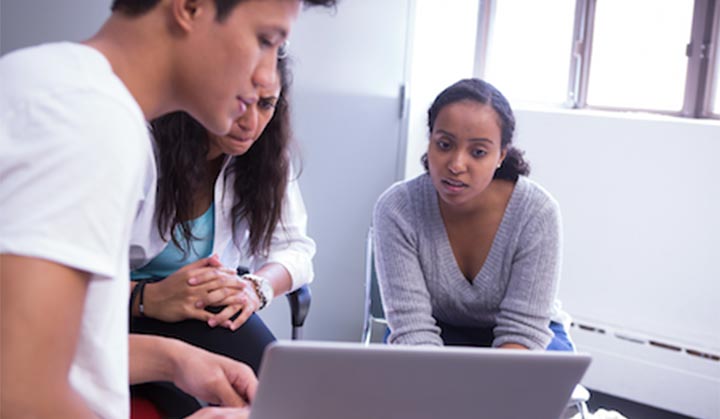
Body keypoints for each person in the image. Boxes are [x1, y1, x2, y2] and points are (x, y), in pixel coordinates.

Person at [0, 0, 335, 418]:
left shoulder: (55, 84)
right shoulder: (86, 120)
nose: (266, 77)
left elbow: (57, 353)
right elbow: (22, 394)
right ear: (190, 7)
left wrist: (173, 360)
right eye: (264, 41)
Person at [127, 56, 314, 416]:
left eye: (266, 105)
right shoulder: (141, 146)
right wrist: (147, 297)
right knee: (180, 402)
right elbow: (67, 286)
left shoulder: (267, 157)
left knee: (283, 395)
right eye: (239, 100)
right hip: (121, 309)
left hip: (202, 311)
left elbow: (296, 249)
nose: (250, 122)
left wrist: (255, 288)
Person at [372, 78, 574, 351]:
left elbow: (523, 332)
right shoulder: (398, 208)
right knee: (416, 389)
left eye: (478, 152)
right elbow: (413, 329)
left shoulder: (536, 212)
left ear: (501, 155)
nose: (456, 165)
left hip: (527, 339)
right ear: (429, 141)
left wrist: (488, 389)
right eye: (444, 145)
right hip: (435, 331)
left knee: (528, 390)